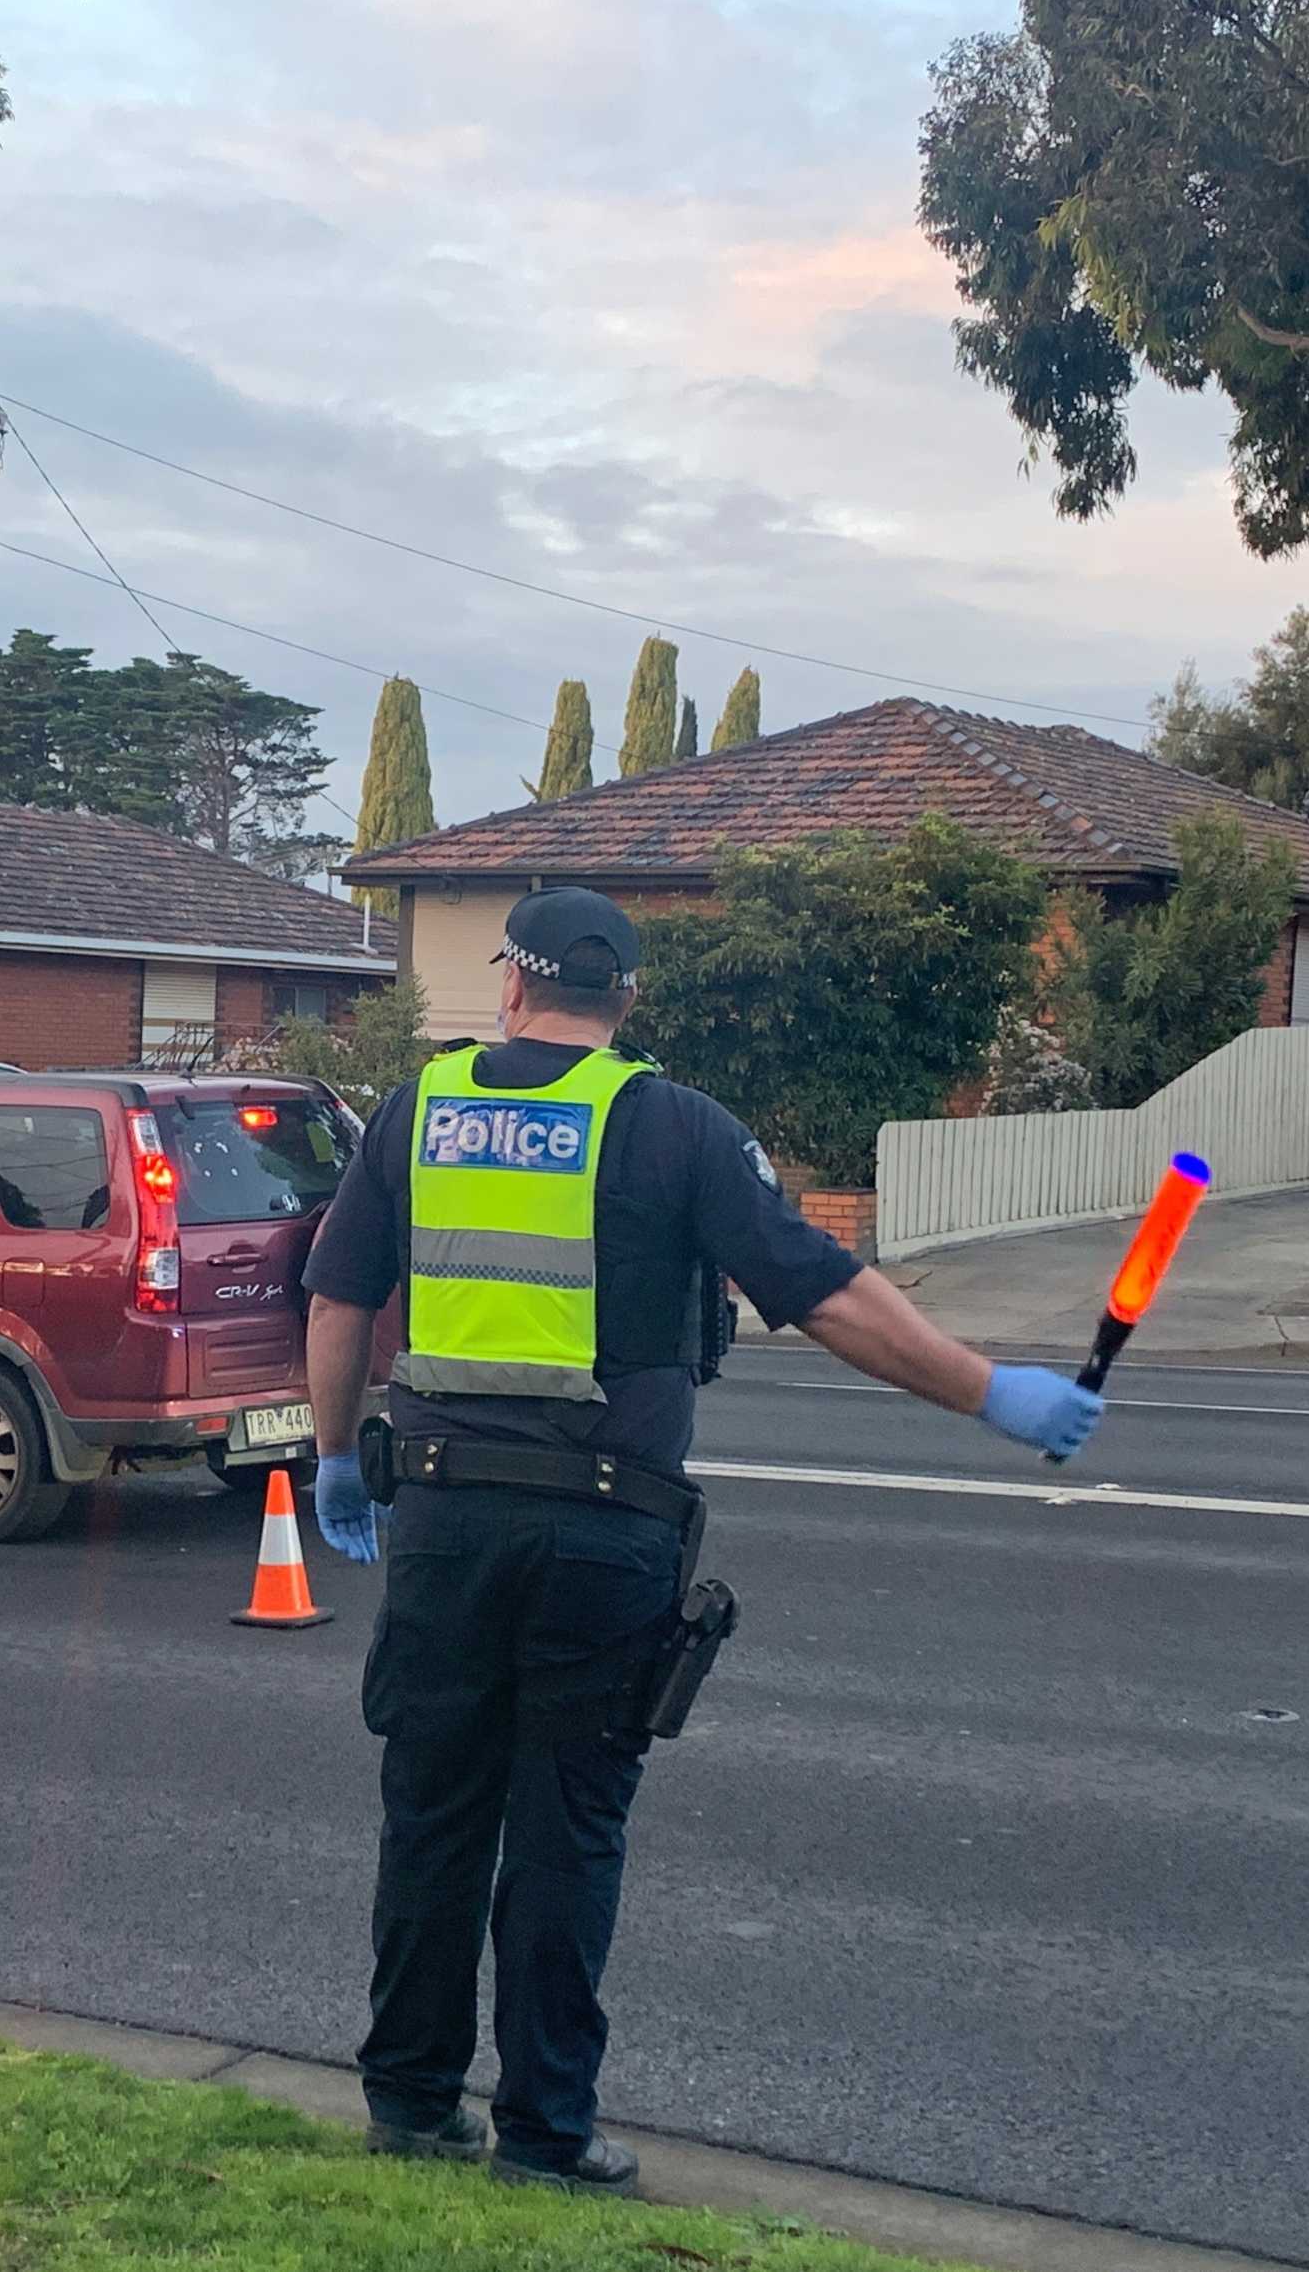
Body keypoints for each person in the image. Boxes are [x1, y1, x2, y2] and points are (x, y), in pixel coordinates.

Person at [301, 886, 1101, 2196]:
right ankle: (547, 2134)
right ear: (628, 1000)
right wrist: (989, 1389)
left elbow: (341, 1299)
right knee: (565, 1828)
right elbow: (829, 1295)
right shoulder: (673, 1126)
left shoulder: (418, 1111)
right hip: (605, 1524)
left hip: (441, 1514)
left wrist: (338, 1453)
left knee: (433, 1811)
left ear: (511, 984)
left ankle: (409, 2098)